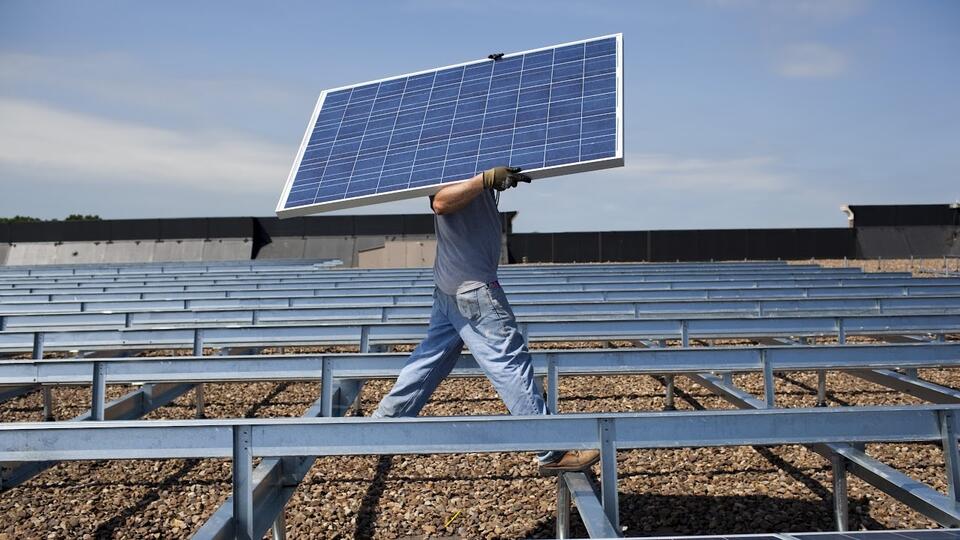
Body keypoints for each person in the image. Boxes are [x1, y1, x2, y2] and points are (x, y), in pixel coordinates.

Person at [371, 166, 600, 474]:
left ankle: (384, 424)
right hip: (473, 289)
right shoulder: (449, 161)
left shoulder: (464, 155)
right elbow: (440, 202)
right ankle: (551, 450)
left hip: (450, 286)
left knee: (430, 359)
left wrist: (489, 181)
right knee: (510, 363)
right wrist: (485, 181)